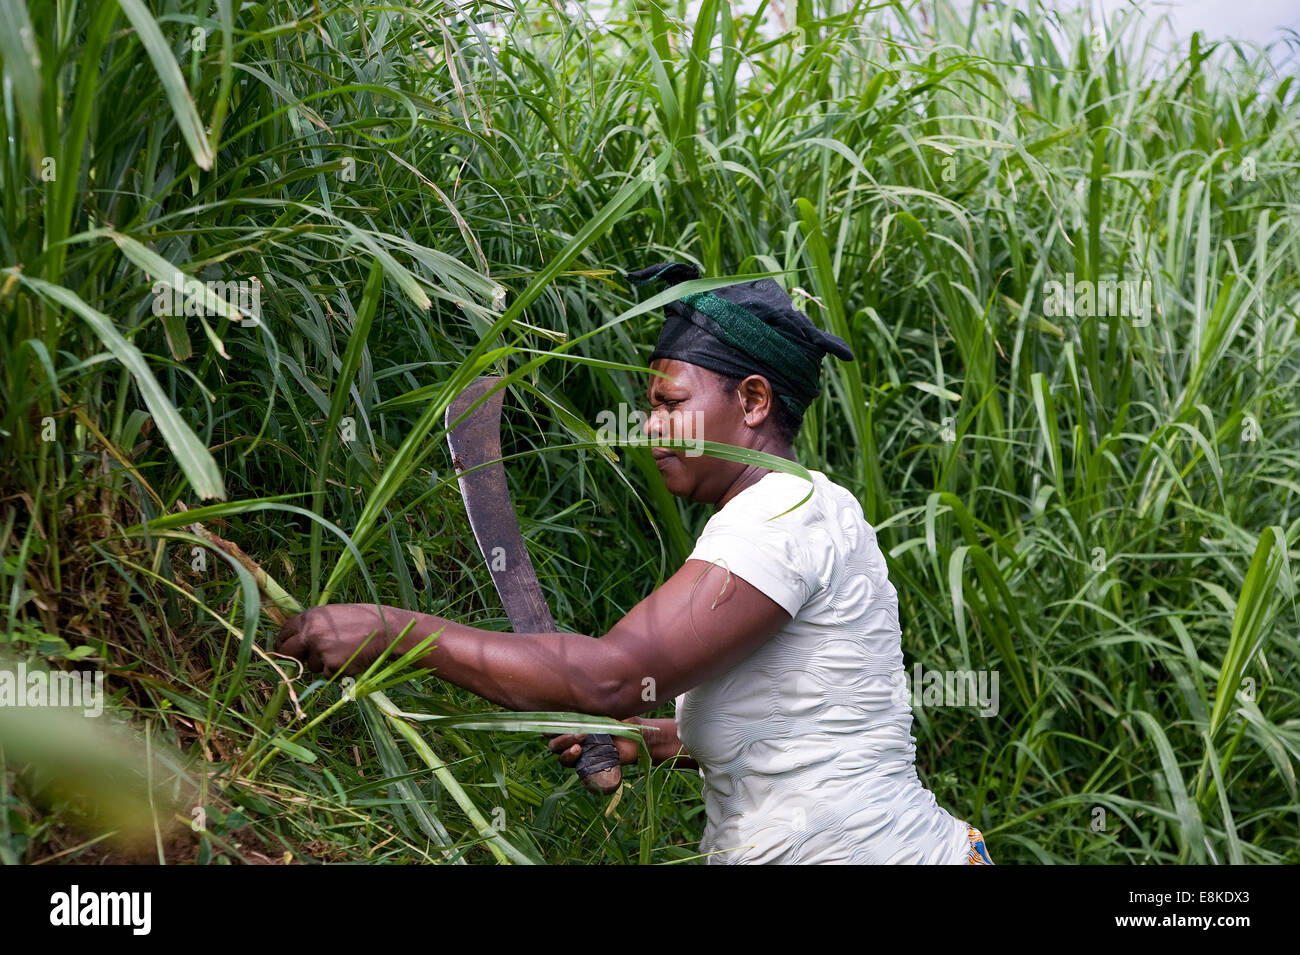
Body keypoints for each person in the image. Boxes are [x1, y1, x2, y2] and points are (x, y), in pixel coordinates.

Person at [276, 261, 994, 865]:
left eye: (670, 401)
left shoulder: (781, 516)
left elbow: (610, 674)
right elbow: (801, 727)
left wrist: (390, 632)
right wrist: (652, 739)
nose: (650, 425)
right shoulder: (792, 515)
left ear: (751, 399)